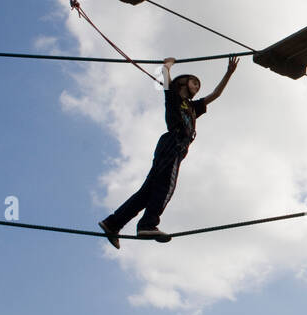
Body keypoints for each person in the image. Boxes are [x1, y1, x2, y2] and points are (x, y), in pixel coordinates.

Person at [98, 56, 238, 247]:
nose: (197, 87)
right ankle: (148, 224)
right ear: (182, 82)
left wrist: (229, 73)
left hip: (174, 148)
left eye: (198, 85)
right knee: (166, 187)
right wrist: (169, 63)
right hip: (173, 143)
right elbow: (165, 74)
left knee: (147, 193)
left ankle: (113, 223)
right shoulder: (173, 96)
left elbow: (216, 94)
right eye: (194, 82)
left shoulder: (192, 107)